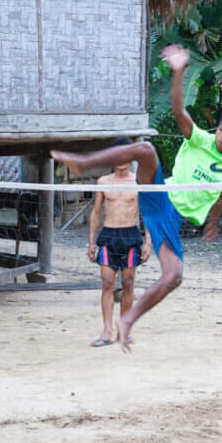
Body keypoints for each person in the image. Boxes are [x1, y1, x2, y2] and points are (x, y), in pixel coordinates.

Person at [51, 44, 222, 350]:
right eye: (221, 129)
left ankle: (127, 320)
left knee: (174, 276)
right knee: (145, 150)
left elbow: (221, 194)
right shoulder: (200, 139)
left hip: (172, 220)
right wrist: (179, 71)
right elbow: (178, 111)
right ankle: (83, 163)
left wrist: (214, 221)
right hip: (160, 196)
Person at [86, 149, 151, 347]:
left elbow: (147, 214)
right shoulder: (103, 182)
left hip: (131, 236)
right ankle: (107, 331)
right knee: (107, 283)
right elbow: (96, 213)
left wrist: (148, 242)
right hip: (108, 236)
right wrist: (91, 241)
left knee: (129, 283)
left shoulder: (139, 183)